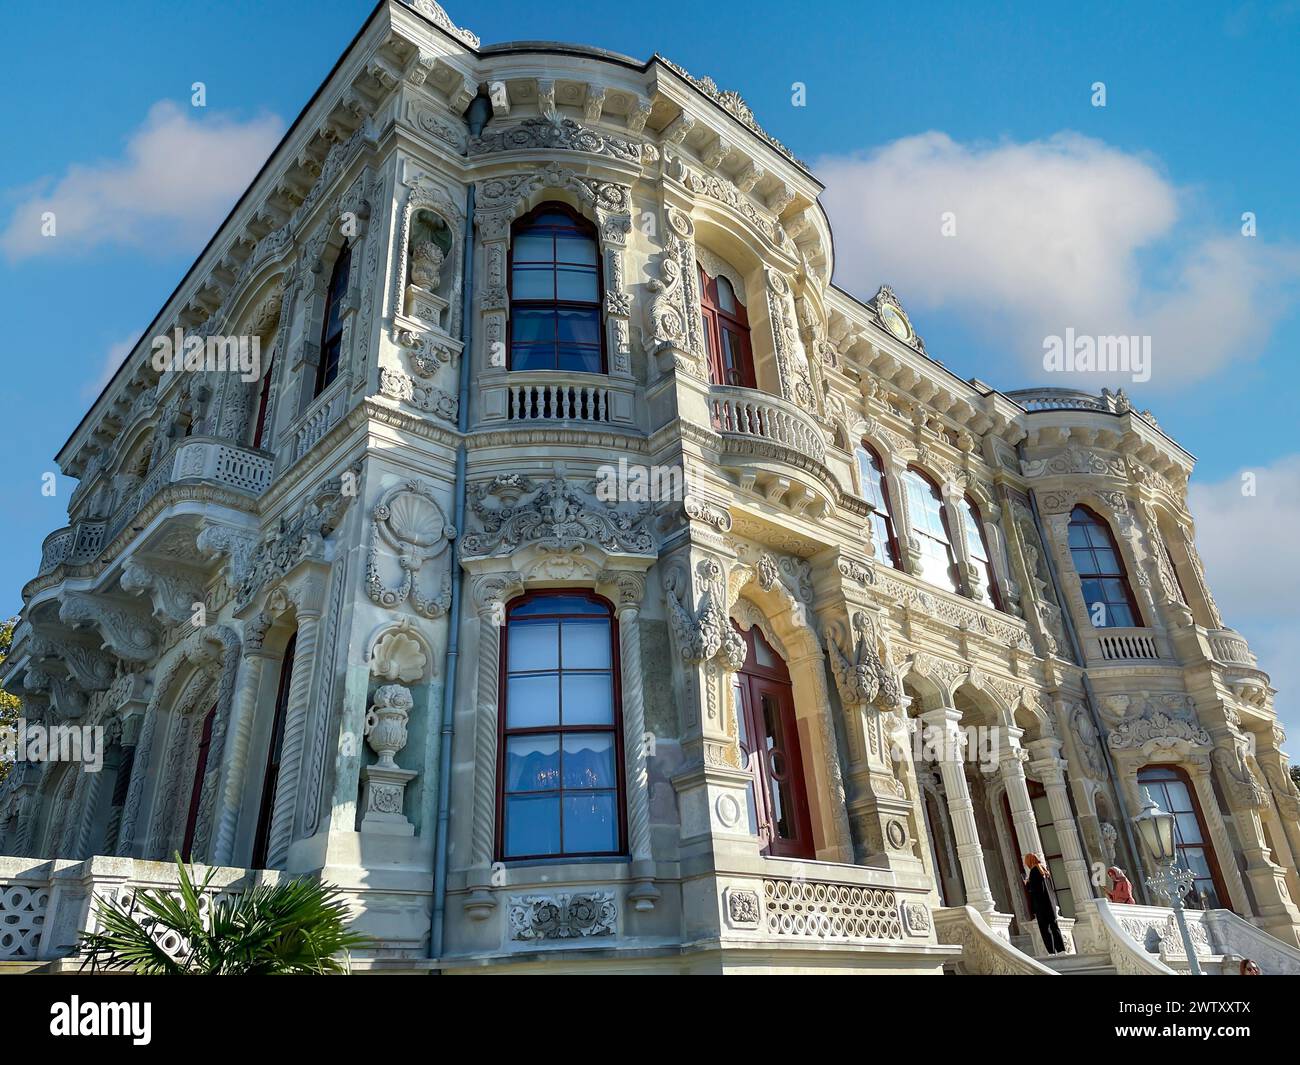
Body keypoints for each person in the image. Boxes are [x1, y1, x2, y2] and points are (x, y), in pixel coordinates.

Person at [1024, 853, 1066, 954]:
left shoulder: (1034, 872)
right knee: (1054, 926)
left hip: (1041, 905)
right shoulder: (1045, 872)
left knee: (1045, 929)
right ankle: (1061, 950)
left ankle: (1051, 951)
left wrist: (1027, 883)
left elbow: (1035, 890)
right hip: (1050, 904)